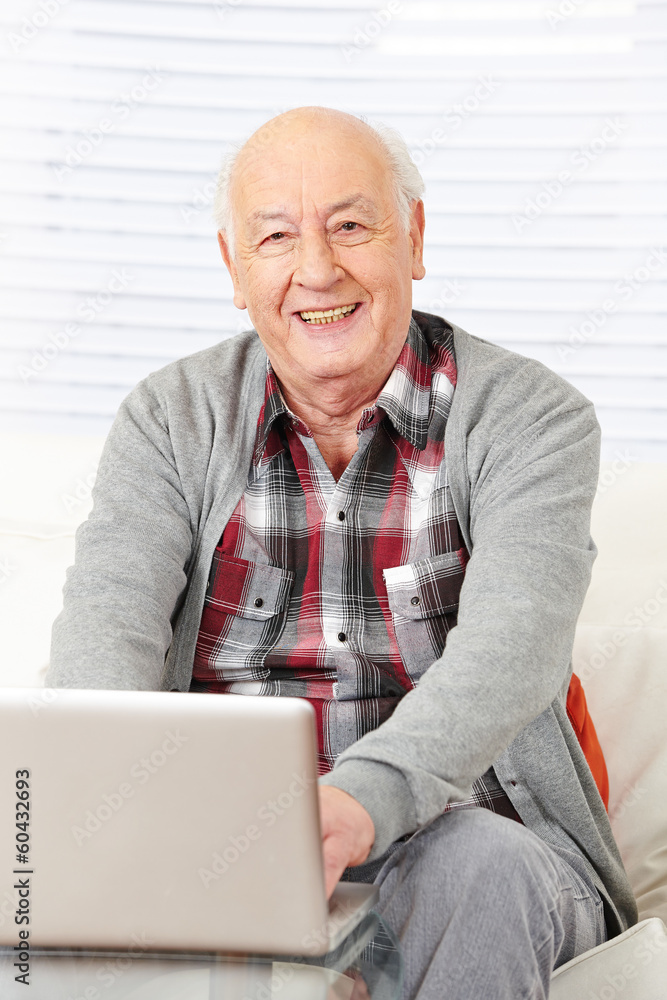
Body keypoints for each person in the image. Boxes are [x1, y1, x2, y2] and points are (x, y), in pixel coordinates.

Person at [48, 106, 637, 998]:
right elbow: (106, 633)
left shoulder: (531, 418)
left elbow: (514, 651)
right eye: (276, 236)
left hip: (464, 835)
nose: (317, 269)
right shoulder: (171, 417)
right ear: (234, 268)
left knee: (476, 868)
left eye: (351, 226)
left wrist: (357, 804)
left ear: (415, 238)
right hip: (225, 852)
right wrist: (125, 827)